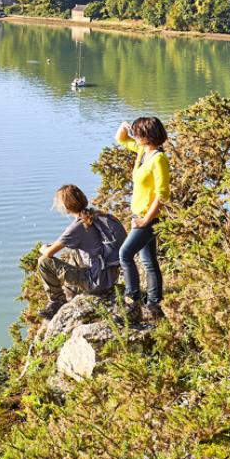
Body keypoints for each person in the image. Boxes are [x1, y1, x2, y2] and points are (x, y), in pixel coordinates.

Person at [33, 184, 127, 319]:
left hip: (95, 284)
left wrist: (42, 248)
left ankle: (56, 301)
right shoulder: (98, 215)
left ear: (66, 206)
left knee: (44, 261)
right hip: (110, 276)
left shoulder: (77, 227)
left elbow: (49, 254)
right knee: (74, 251)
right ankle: (71, 292)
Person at [116, 115, 171, 325]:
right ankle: (154, 304)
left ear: (146, 136)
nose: (134, 136)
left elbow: (162, 194)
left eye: (137, 133)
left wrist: (146, 220)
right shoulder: (143, 152)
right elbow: (121, 140)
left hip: (150, 219)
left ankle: (133, 300)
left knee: (125, 254)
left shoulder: (159, 159)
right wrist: (123, 128)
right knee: (148, 260)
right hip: (139, 216)